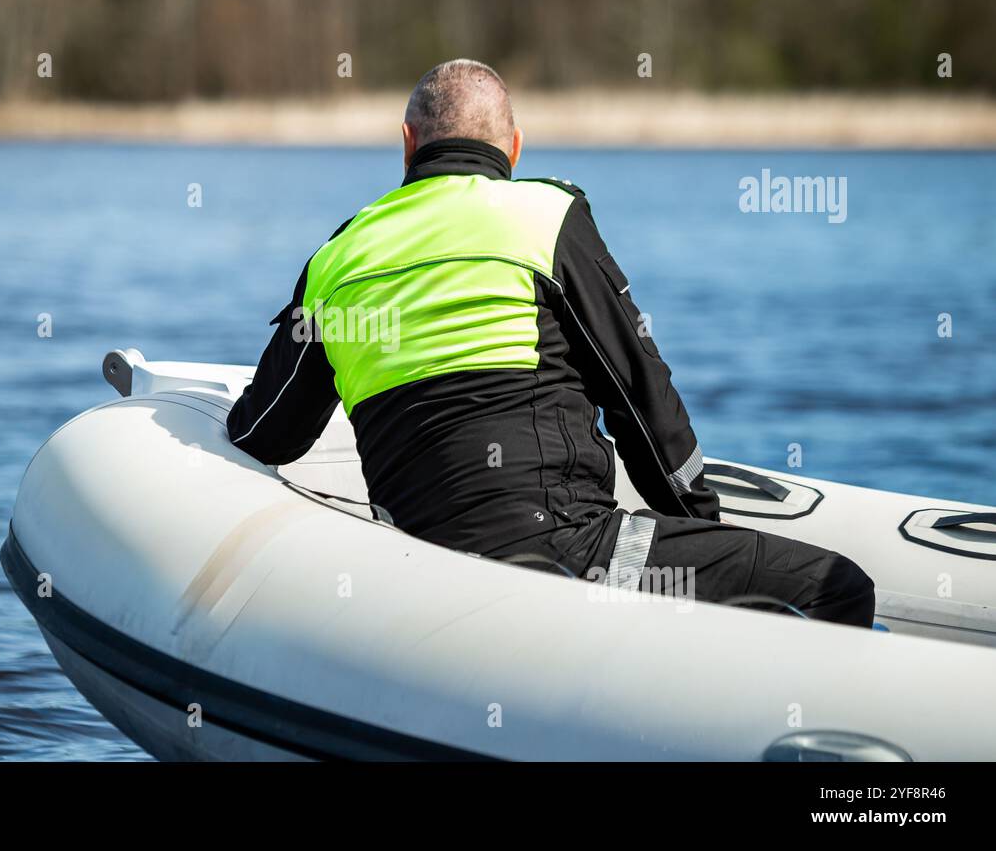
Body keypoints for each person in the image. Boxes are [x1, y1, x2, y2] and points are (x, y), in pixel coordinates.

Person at [226, 59, 875, 626]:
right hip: (573, 555)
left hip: (418, 578)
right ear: (514, 148)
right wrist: (699, 525)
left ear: (406, 145)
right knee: (837, 588)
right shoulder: (547, 218)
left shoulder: (339, 257)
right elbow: (642, 405)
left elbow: (267, 436)